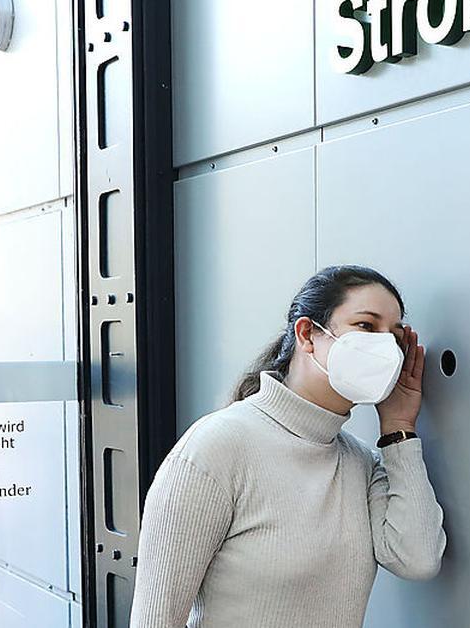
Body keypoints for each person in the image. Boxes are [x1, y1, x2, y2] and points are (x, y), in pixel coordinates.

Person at [129, 265, 447, 628]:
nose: (384, 347)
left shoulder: (360, 462)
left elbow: (418, 558)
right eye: (366, 326)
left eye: (394, 335)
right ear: (308, 334)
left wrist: (399, 430)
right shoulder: (216, 447)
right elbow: (155, 619)